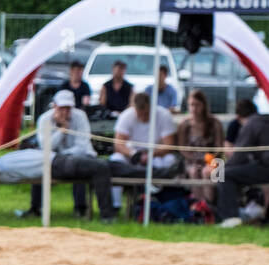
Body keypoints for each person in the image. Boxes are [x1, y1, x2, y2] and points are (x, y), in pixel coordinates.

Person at [22, 89, 115, 223]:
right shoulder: (45, 119)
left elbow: (82, 146)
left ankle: (82, 208)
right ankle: (36, 208)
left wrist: (63, 156)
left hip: (76, 158)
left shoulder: (80, 117)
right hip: (56, 162)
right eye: (62, 108)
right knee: (40, 165)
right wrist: (62, 130)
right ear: (54, 106)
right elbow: (46, 147)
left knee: (86, 165)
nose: (65, 112)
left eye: (68, 108)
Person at [110, 90, 176, 211]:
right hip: (132, 156)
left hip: (157, 155)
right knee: (115, 160)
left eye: (146, 113)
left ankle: (159, 199)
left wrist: (151, 154)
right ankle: (115, 205)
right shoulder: (127, 116)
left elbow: (169, 145)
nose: (143, 117)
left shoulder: (163, 115)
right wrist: (133, 154)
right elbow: (118, 144)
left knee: (170, 161)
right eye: (140, 114)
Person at [216, 107, 269, 227]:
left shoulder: (251, 123)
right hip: (264, 166)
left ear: (239, 117)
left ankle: (229, 218)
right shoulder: (264, 120)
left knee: (222, 174)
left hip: (266, 168)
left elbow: (239, 155)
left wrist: (220, 168)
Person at [175, 89, 224, 204]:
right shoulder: (185, 124)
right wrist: (194, 158)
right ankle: (199, 206)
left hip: (214, 160)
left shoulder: (215, 123)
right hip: (191, 160)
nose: (194, 109)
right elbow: (182, 148)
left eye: (197, 105)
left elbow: (219, 147)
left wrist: (209, 159)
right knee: (194, 171)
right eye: (192, 105)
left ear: (204, 105)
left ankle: (210, 206)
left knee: (207, 172)